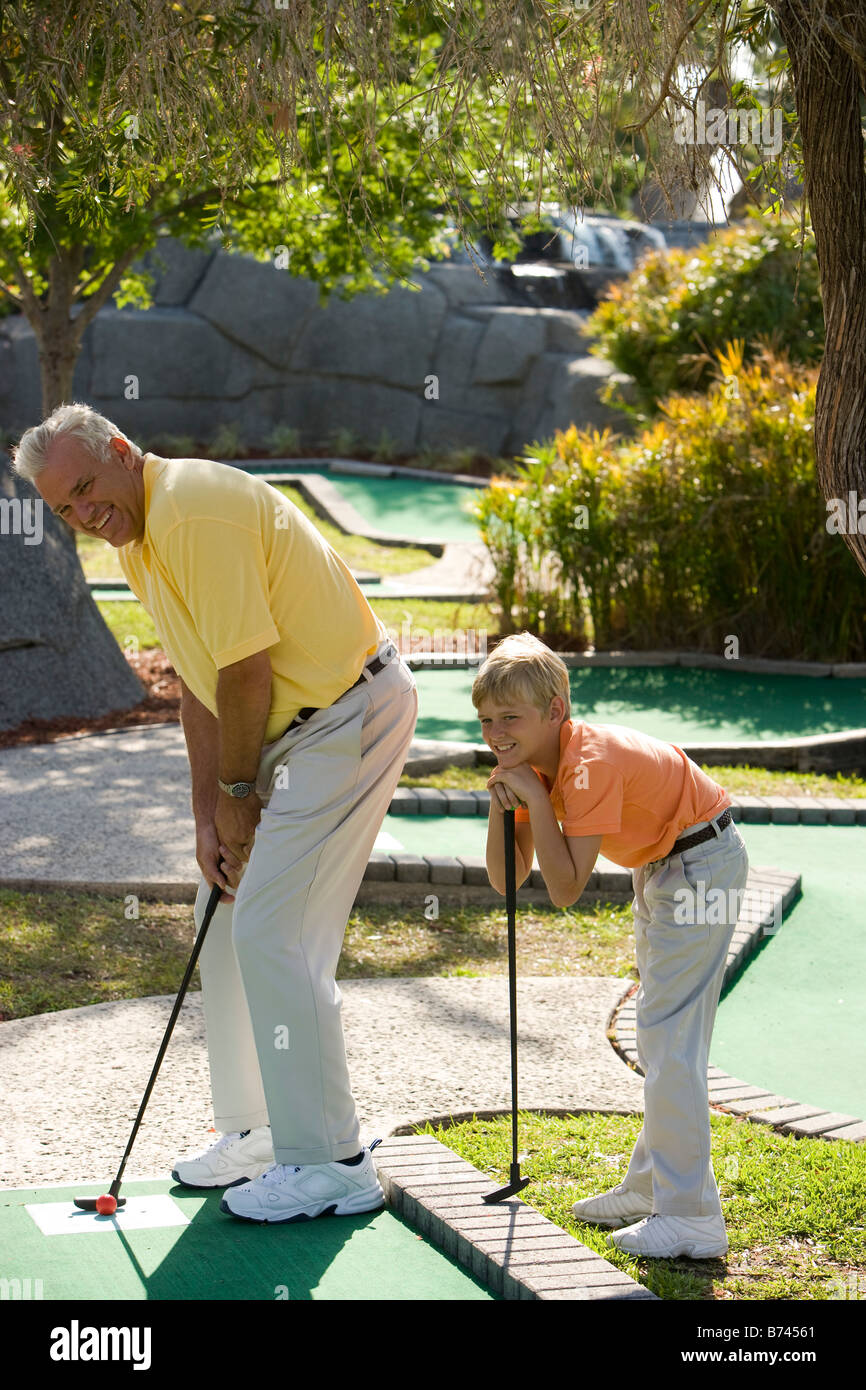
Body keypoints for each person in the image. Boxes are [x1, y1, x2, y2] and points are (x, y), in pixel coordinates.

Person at [13, 402, 418, 1224]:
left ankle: (335, 1161)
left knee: (274, 929)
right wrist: (207, 814)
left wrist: (239, 797)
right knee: (223, 908)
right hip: (298, 729)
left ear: (123, 453)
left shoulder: (192, 508)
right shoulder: (142, 544)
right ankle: (262, 1130)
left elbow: (245, 673)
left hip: (347, 713)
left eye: (89, 489)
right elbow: (200, 684)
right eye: (66, 511)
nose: (86, 516)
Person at [472, 631, 749, 1259]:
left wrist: (537, 799)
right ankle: (652, 1187)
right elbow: (507, 878)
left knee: (667, 1036)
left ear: (554, 711)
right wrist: (504, 807)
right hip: (662, 867)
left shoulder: (586, 763)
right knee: (666, 1035)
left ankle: (693, 1216)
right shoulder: (534, 764)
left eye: (510, 717)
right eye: (487, 719)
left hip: (702, 863)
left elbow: (566, 887)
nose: (496, 732)